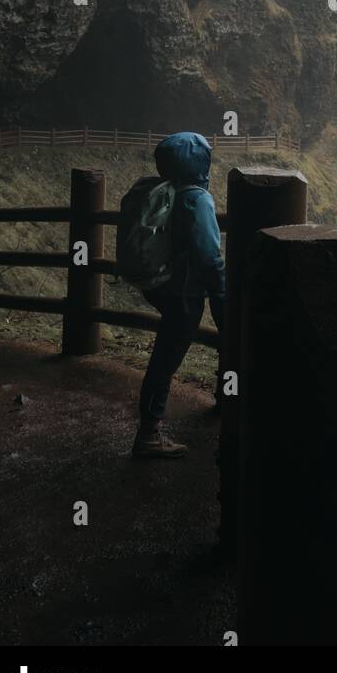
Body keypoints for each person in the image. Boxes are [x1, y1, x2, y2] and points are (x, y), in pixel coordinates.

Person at [132, 131, 225, 460]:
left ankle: (150, 426)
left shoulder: (163, 190)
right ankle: (149, 433)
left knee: (165, 355)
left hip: (160, 285)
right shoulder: (195, 198)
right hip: (184, 292)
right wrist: (220, 295)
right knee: (166, 360)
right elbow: (208, 254)